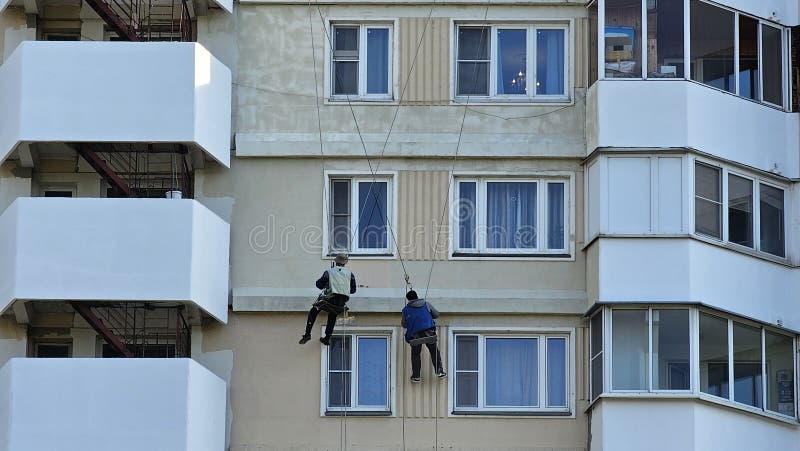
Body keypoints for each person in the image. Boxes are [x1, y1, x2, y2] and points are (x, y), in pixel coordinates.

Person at [299, 253, 356, 346]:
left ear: (336, 261)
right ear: (345, 263)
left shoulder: (329, 272)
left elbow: (319, 285)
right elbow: (353, 290)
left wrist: (328, 284)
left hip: (330, 299)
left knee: (314, 311)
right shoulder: (350, 274)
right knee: (333, 315)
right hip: (341, 302)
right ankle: (327, 338)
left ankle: (307, 334)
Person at [401, 290, 446, 382]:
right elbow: (436, 314)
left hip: (415, 337)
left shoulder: (405, 310)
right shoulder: (426, 304)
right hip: (429, 333)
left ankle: (416, 376)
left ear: (408, 299)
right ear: (417, 296)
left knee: (416, 354)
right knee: (434, 352)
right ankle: (439, 372)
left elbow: (404, 325)